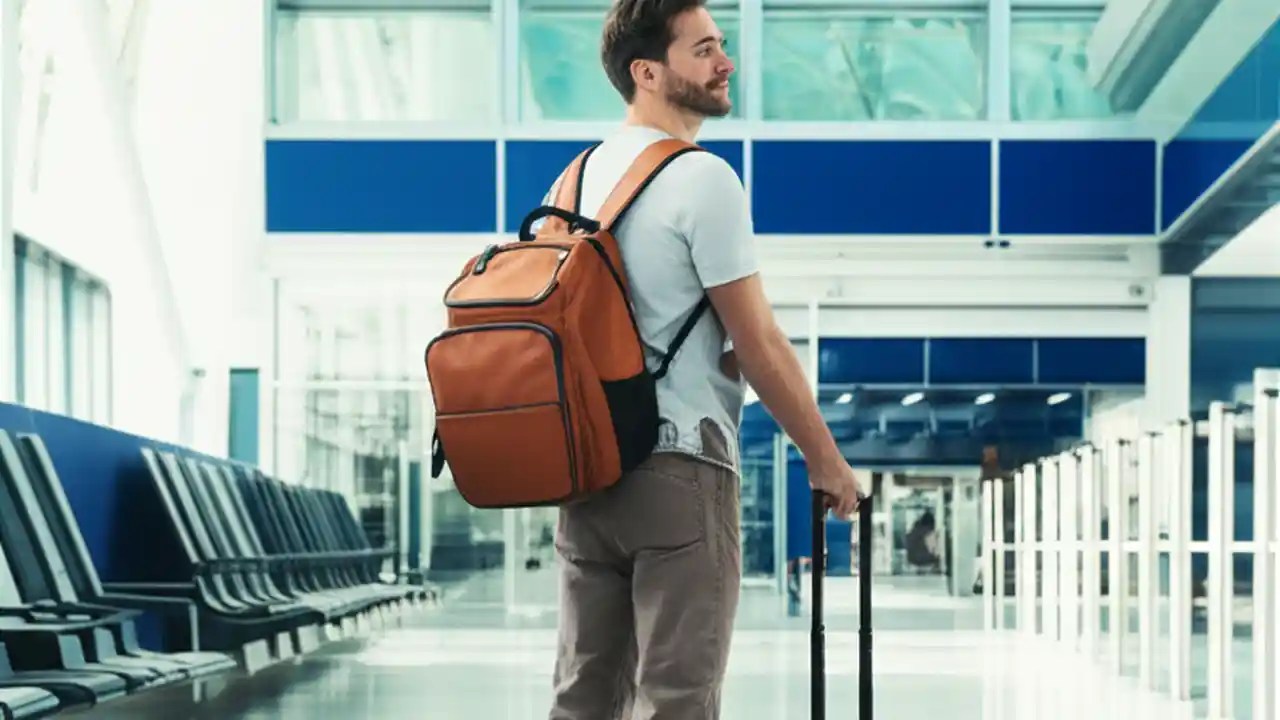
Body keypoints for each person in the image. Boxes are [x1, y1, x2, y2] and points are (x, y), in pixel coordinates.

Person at [545, 0, 864, 716]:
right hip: (678, 471)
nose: (725, 63)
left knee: (582, 696)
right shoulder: (702, 178)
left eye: (722, 45)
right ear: (647, 72)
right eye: (703, 50)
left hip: (584, 479)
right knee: (679, 697)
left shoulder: (567, 185)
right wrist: (824, 459)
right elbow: (758, 343)